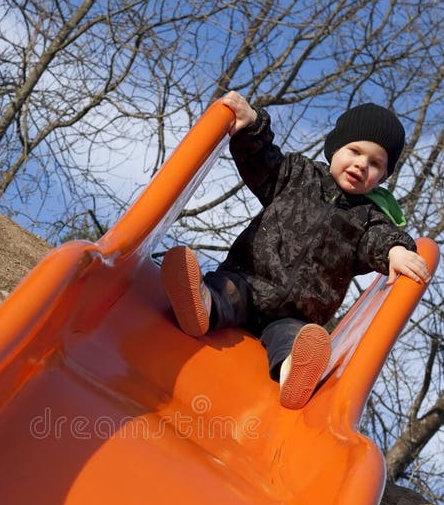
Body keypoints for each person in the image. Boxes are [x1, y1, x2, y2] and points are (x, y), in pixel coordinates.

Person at [161, 91, 430, 409]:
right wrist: (252, 126)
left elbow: (380, 240)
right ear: (335, 148)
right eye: (355, 151)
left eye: (375, 164)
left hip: (297, 314)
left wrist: (396, 251)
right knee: (226, 290)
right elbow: (260, 160)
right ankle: (202, 305)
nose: (361, 164)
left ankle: (294, 373)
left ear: (383, 177)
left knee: (294, 342)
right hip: (249, 279)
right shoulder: (296, 175)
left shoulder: (369, 218)